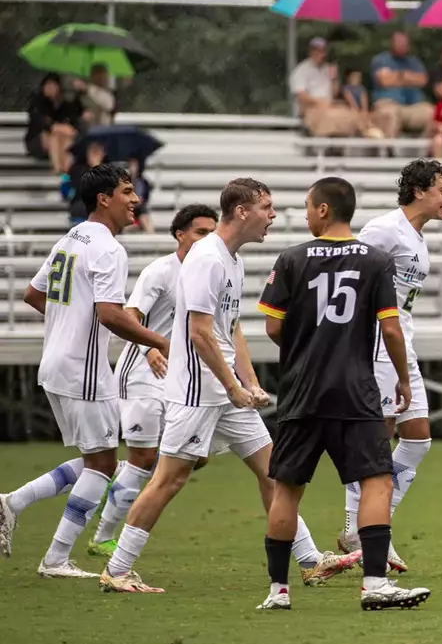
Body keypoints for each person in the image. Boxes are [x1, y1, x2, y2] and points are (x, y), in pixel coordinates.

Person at [101, 179, 359, 593]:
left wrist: (249, 382)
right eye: (267, 207)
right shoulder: (207, 258)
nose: (273, 216)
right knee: (169, 479)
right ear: (241, 211)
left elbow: (230, 329)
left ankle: (310, 561)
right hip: (197, 391)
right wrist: (233, 386)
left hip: (224, 390)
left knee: (273, 470)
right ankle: (116, 569)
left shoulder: (231, 259)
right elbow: (200, 332)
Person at [255, 177, 431, 612]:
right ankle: (374, 584)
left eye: (307, 206)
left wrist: (305, 349)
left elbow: (273, 326)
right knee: (375, 481)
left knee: (287, 491)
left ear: (322, 210)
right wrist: (404, 379)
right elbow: (390, 327)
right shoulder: (374, 261)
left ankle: (278, 591)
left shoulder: (292, 258)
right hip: (356, 389)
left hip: (301, 391)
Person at [0, 165, 171, 574]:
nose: (136, 200)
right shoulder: (108, 248)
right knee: (103, 464)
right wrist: (161, 341)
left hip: (56, 365)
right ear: (104, 199)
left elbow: (32, 293)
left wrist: (68, 324)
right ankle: (55, 557)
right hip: (84, 370)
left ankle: (14, 503)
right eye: (128, 192)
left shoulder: (69, 239)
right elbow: (111, 314)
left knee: (99, 457)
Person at [82, 204, 219, 559]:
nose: (208, 239)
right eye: (201, 232)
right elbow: (129, 315)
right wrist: (149, 349)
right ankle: (103, 535)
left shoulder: (209, 271)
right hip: (142, 373)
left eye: (211, 232)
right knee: (143, 455)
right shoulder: (160, 271)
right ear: (180, 234)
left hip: (181, 378)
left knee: (190, 458)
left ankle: (115, 487)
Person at [338, 159, 442, 572]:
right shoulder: (384, 229)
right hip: (376, 343)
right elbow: (348, 273)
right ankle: (361, 527)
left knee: (418, 437)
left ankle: (373, 521)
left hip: (402, 342)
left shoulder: (417, 236)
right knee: (378, 438)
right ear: (419, 190)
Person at [292, 37, 360, 138]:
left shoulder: (327, 69)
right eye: (317, 50)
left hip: (329, 105)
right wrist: (319, 102)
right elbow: (301, 95)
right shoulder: (301, 70)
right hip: (311, 107)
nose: (320, 54)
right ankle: (323, 145)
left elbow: (335, 93)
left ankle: (339, 146)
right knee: (330, 117)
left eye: (323, 51)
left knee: (351, 115)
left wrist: (334, 79)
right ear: (311, 51)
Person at [371, 31, 433, 139]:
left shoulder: (414, 62)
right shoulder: (381, 60)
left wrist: (396, 77)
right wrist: (405, 76)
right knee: (391, 115)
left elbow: (423, 80)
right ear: (391, 43)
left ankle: (422, 151)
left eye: (404, 43)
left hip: (412, 106)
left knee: (433, 113)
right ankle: (389, 152)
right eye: (399, 42)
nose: (402, 45)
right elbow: (385, 81)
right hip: (387, 104)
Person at [25, 73, 82, 175]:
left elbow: (73, 120)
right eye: (47, 85)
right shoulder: (38, 101)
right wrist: (56, 127)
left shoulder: (64, 103)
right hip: (38, 142)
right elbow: (39, 122)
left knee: (65, 136)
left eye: (53, 85)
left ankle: (65, 169)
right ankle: (57, 169)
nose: (49, 88)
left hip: (61, 141)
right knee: (54, 135)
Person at [341, 68, 380, 138]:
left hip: (360, 111)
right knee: (355, 114)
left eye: (358, 77)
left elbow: (364, 103)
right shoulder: (345, 88)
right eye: (354, 77)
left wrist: (364, 112)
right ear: (349, 78)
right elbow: (351, 102)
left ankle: (369, 131)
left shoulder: (362, 89)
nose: (356, 79)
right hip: (350, 109)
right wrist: (358, 111)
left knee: (366, 115)